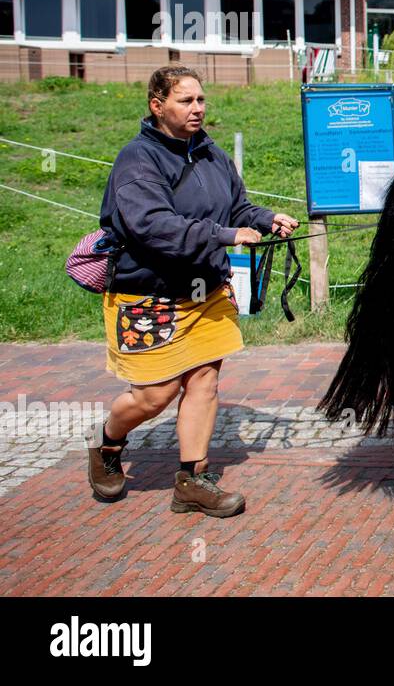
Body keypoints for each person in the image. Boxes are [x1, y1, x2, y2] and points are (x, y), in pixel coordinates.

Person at [88, 65, 299, 516]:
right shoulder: (138, 159)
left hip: (206, 289)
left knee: (204, 380)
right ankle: (107, 445)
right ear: (157, 105)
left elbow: (237, 205)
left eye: (201, 99)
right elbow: (151, 226)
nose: (197, 108)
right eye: (186, 101)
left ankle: (192, 479)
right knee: (154, 396)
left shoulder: (211, 154)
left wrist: (265, 220)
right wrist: (226, 236)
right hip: (149, 292)